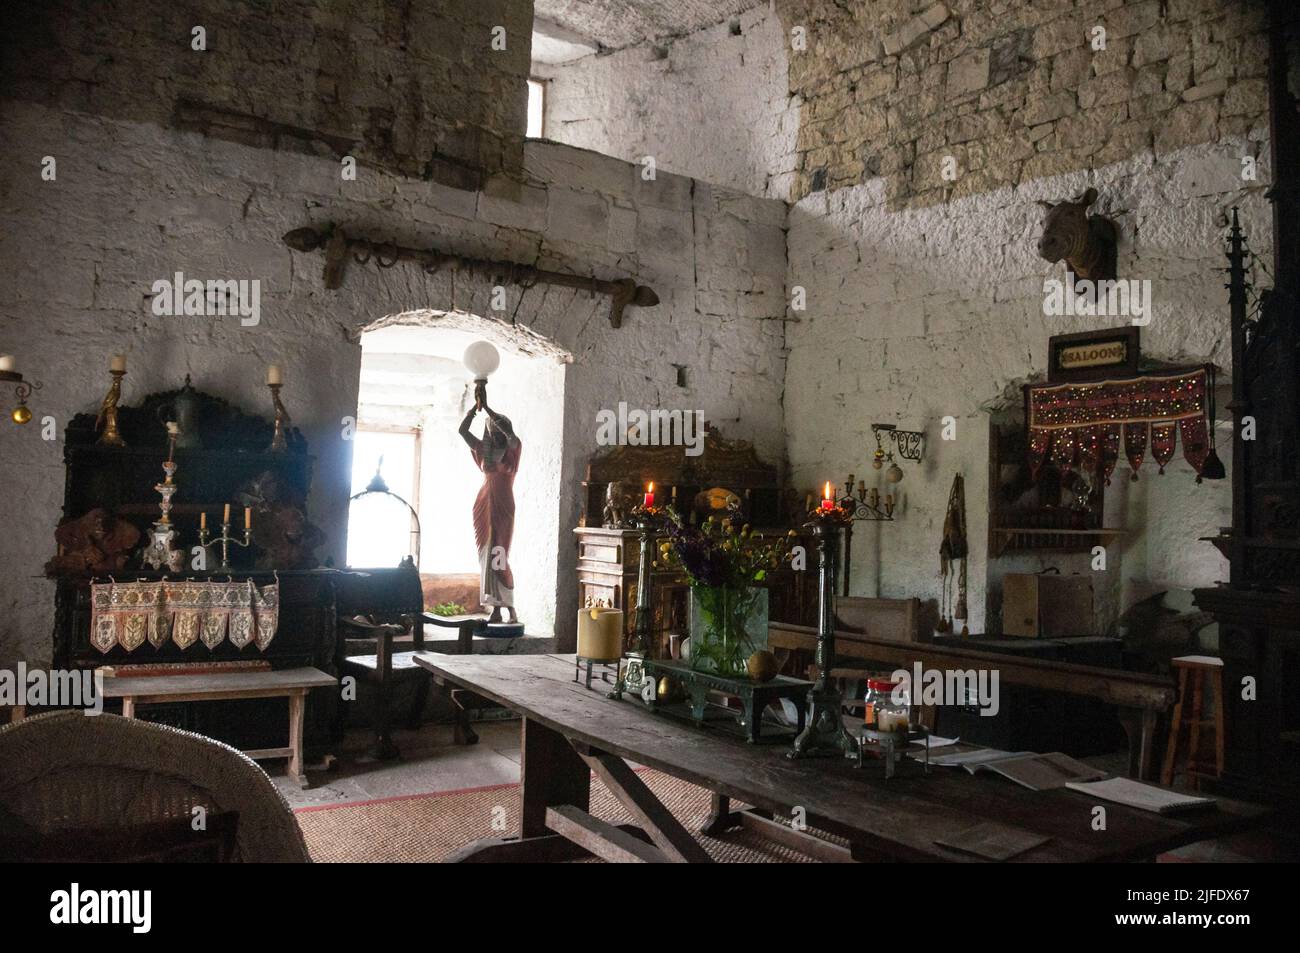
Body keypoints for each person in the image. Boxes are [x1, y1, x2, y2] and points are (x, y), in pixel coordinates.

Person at [459, 389, 521, 625]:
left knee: (500, 553)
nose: (493, 433)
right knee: (486, 555)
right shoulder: (483, 451)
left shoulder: (512, 450)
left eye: (497, 430)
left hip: (503, 502)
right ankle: (495, 609)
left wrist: (488, 408)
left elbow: (511, 434)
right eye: (491, 430)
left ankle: (511, 608)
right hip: (483, 501)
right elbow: (462, 431)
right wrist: (474, 411)